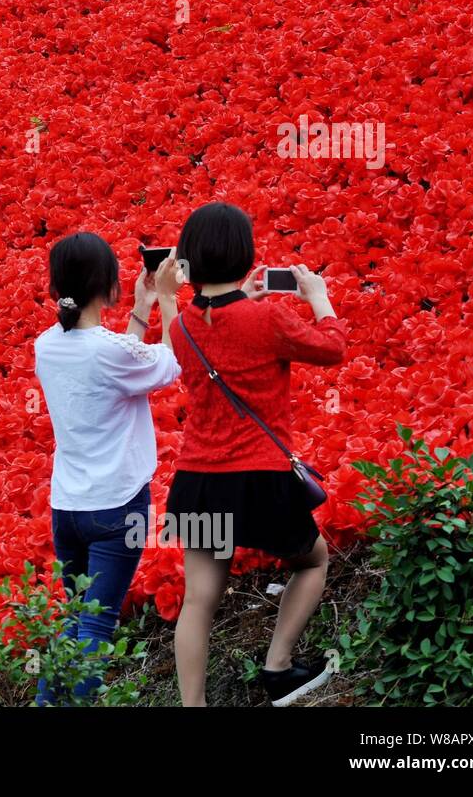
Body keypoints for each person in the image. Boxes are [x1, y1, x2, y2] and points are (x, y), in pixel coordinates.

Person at [166, 201, 347, 707]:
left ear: (189, 262)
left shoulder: (181, 328)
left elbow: (218, 328)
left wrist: (237, 298)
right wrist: (321, 298)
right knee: (312, 561)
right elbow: (331, 349)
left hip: (198, 480)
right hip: (258, 478)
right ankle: (279, 667)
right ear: (246, 256)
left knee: (199, 600)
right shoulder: (267, 317)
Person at [33, 232, 182, 704]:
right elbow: (174, 363)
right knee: (97, 626)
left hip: (68, 508)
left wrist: (143, 307)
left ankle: (46, 703)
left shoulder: (46, 346)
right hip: (118, 507)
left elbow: (118, 367)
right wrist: (171, 299)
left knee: (76, 620)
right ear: (108, 284)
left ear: (59, 287)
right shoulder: (110, 353)